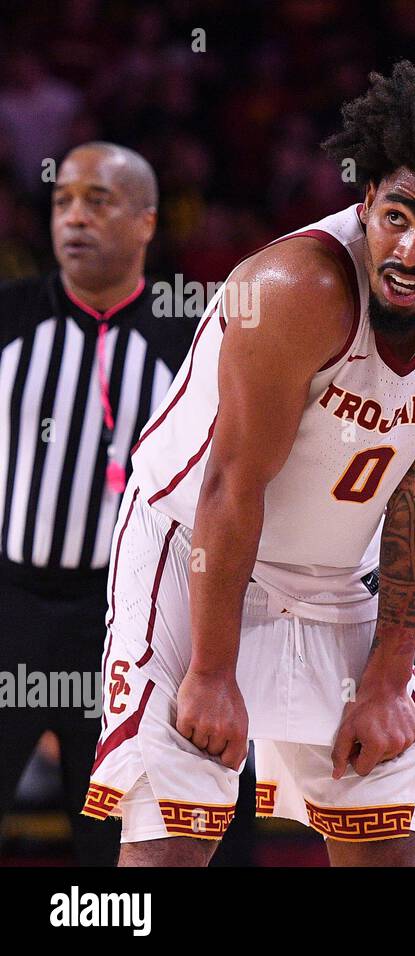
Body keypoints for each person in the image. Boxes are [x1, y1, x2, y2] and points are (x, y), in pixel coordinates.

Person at [80, 59, 415, 867]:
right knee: (174, 838)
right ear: (367, 196)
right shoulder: (293, 287)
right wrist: (212, 672)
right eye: (397, 214)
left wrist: (386, 678)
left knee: (385, 844)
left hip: (339, 570)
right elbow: (232, 486)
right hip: (191, 549)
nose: (410, 249)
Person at [0, 142, 193, 866]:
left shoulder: (191, 334)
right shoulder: (10, 316)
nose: (74, 217)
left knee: (112, 832)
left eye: (97, 201)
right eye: (62, 201)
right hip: (10, 598)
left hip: (124, 623)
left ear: (146, 222)